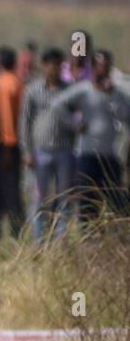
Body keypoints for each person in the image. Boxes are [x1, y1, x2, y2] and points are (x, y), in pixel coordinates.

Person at [57, 49, 130, 221]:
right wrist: (74, 124)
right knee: (87, 200)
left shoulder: (117, 93)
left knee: (115, 200)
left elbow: (125, 116)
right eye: (99, 66)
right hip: (87, 154)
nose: (102, 70)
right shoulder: (83, 90)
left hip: (110, 154)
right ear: (93, 68)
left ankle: (116, 237)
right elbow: (58, 105)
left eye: (106, 67)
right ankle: (88, 240)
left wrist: (112, 96)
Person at [21, 48, 76, 239]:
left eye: (58, 65)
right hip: (40, 152)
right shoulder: (33, 90)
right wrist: (27, 151)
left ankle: (60, 239)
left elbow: (78, 119)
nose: (54, 69)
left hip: (64, 151)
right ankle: (39, 239)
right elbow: (25, 122)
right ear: (44, 66)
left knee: (64, 197)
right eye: (50, 64)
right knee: (39, 197)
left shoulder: (69, 90)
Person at [0, 46, 25, 238]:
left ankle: (5, 231)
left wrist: (8, 145)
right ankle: (14, 229)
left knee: (4, 189)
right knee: (12, 187)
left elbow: (6, 117)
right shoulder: (18, 82)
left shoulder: (4, 83)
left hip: (7, 144)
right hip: (14, 142)